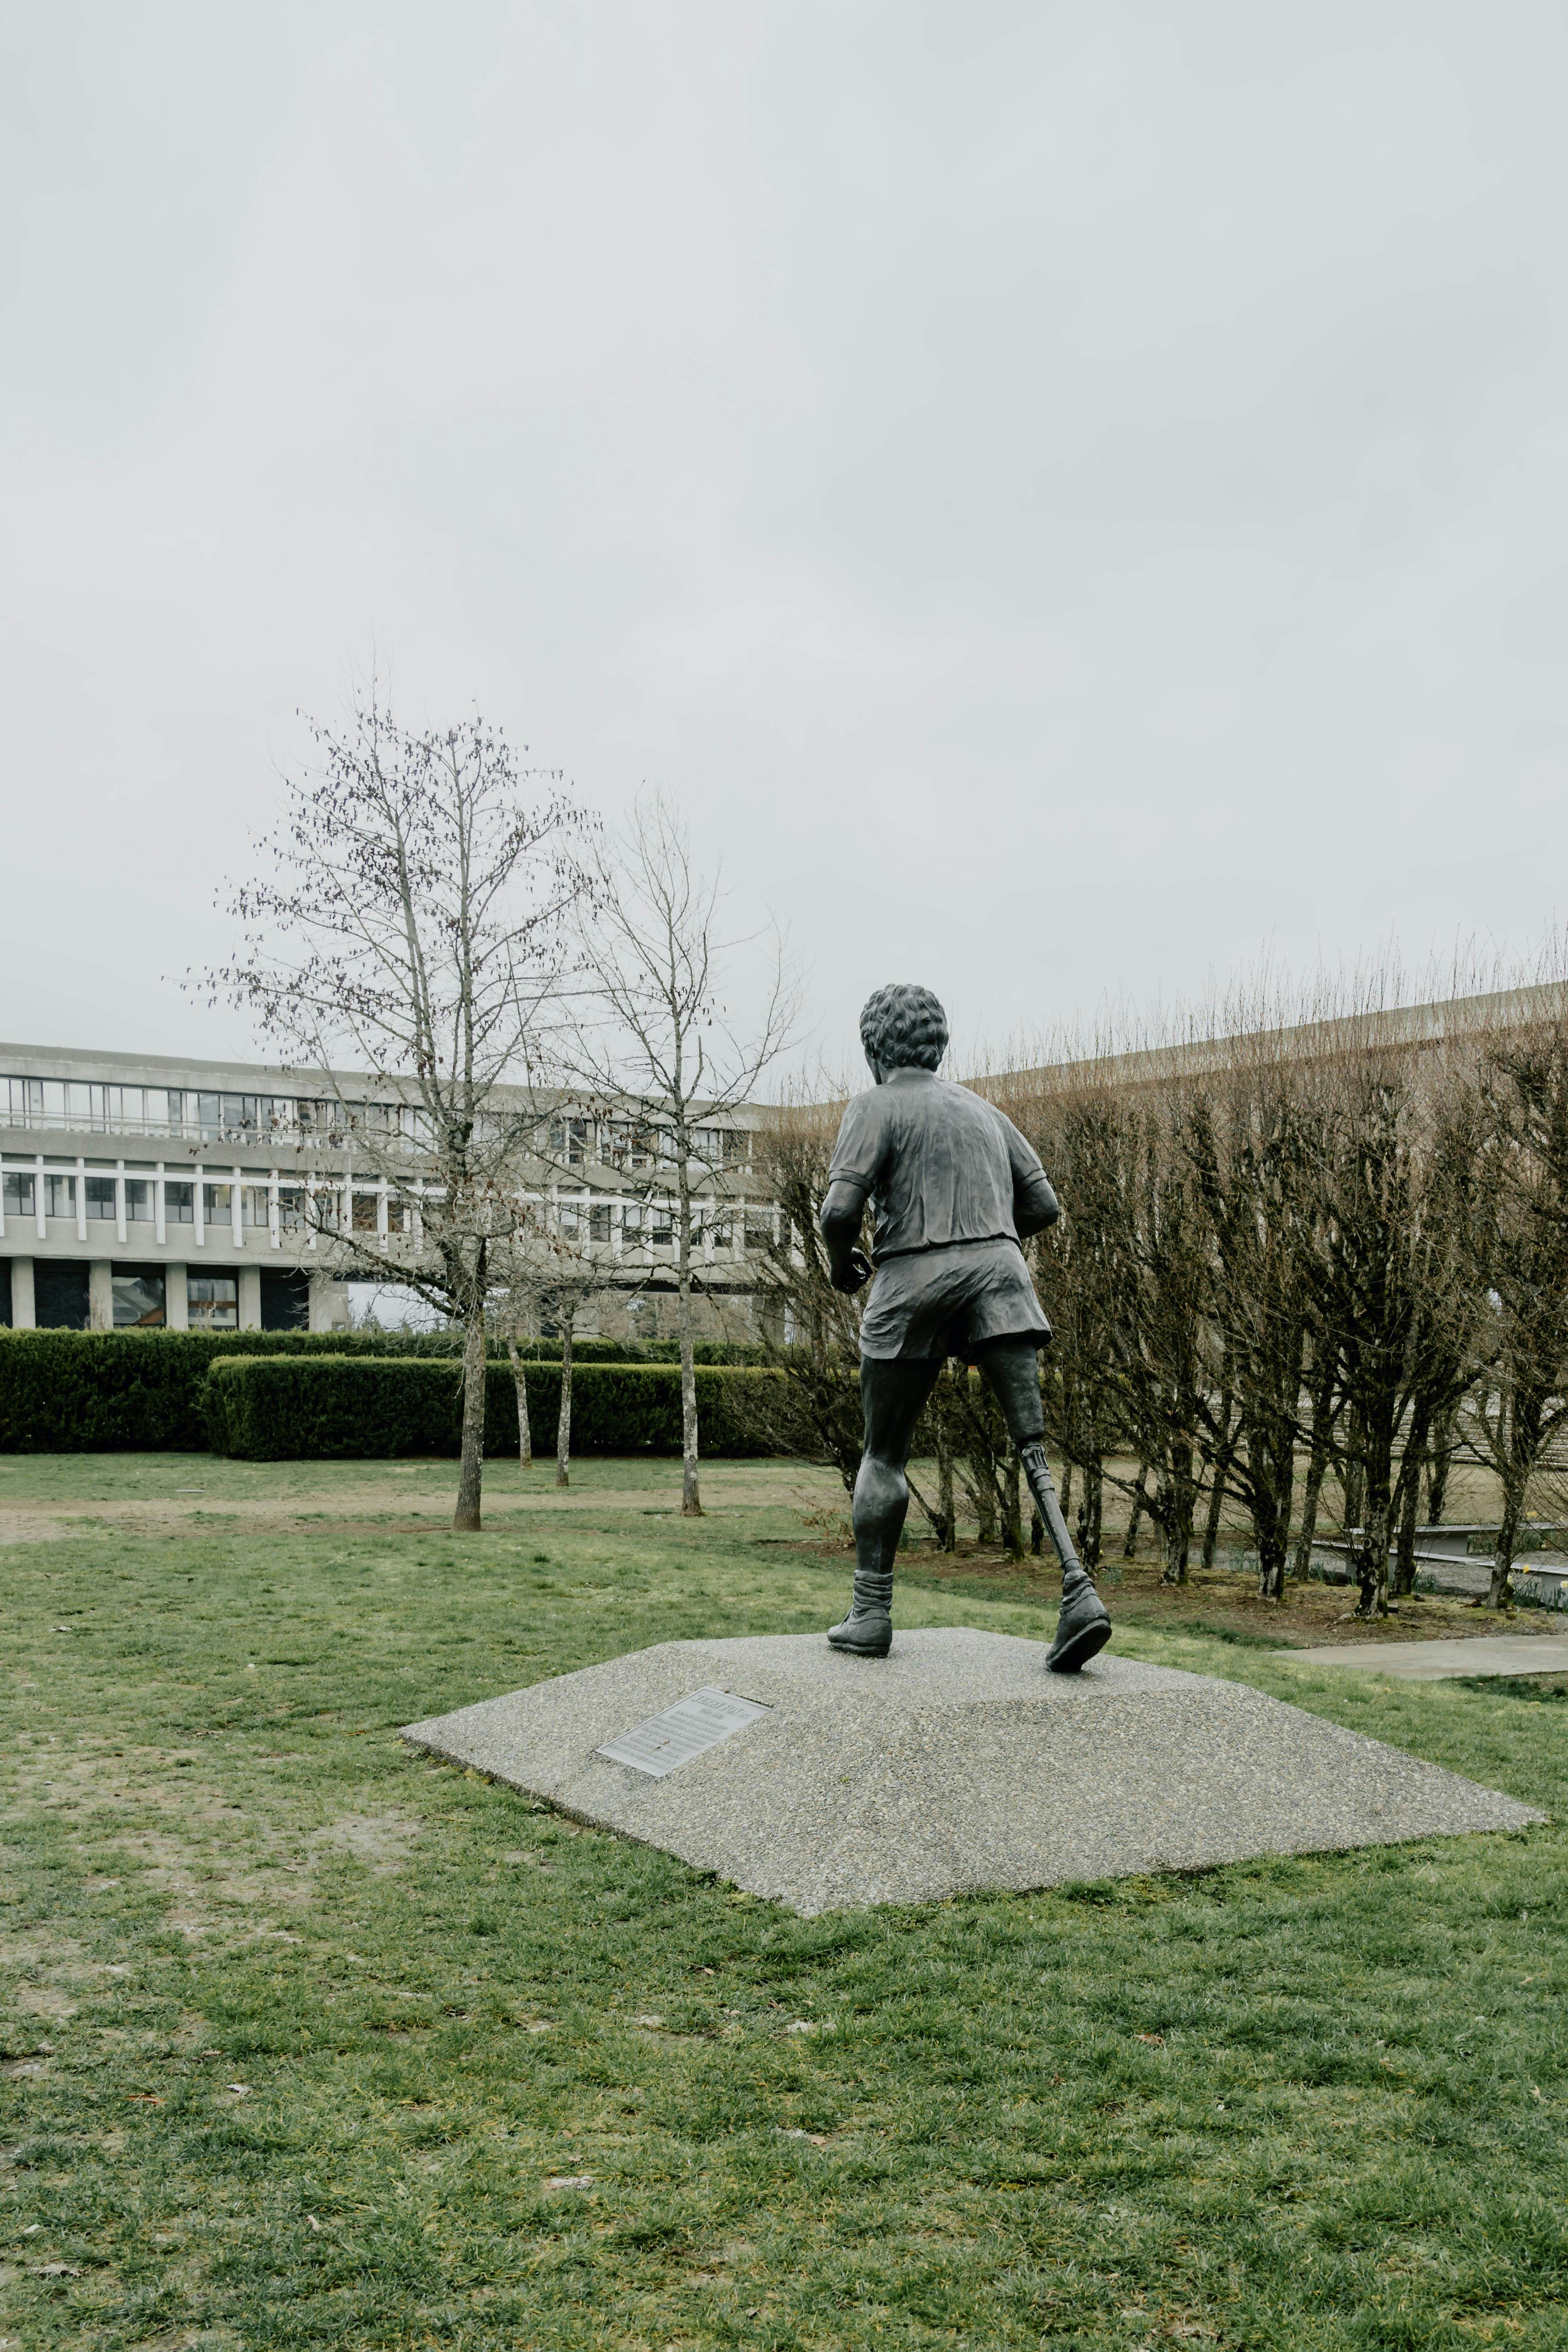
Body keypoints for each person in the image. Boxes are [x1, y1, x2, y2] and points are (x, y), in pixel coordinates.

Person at [819, 981, 1111, 1673]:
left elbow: (839, 1212)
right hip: (1002, 1276)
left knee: (883, 1455)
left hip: (910, 1280)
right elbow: (1043, 1205)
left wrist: (840, 1265)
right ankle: (1080, 1589)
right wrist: (986, 1249)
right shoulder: (986, 1113)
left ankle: (871, 1613)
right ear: (937, 1046)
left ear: (872, 1049)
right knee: (1032, 1447)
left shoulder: (875, 1106)